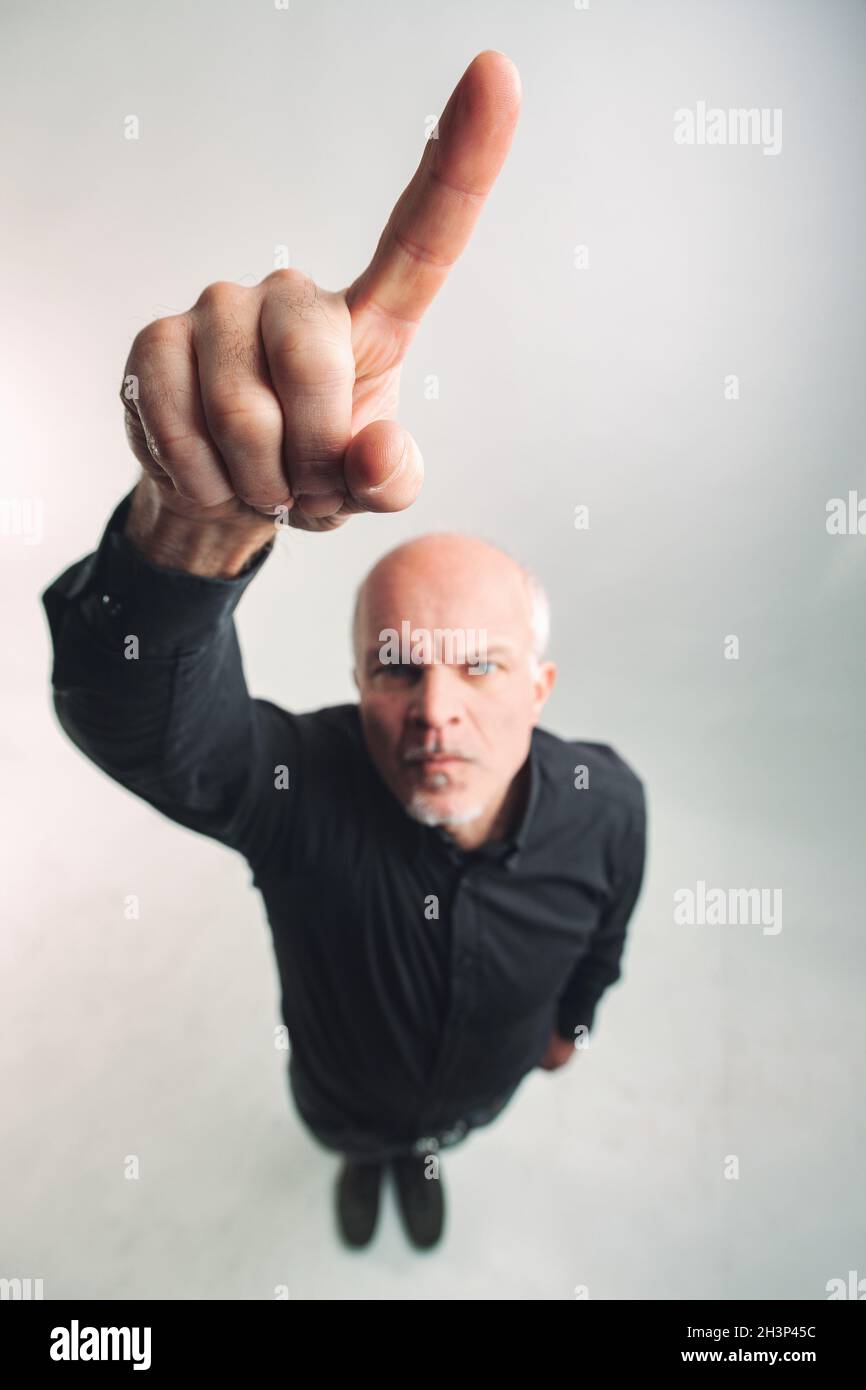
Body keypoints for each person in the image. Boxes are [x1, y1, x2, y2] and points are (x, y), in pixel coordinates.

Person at [40, 51, 646, 1251]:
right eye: (395, 666)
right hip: (335, 1098)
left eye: (476, 666)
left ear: (540, 687)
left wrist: (572, 1016)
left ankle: (420, 1159)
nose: (433, 711)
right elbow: (144, 726)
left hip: (479, 1095)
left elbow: (606, 927)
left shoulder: (604, 799)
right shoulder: (300, 786)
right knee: (363, 1143)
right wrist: (191, 538)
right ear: (355, 680)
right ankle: (370, 1167)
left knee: (428, 1141)